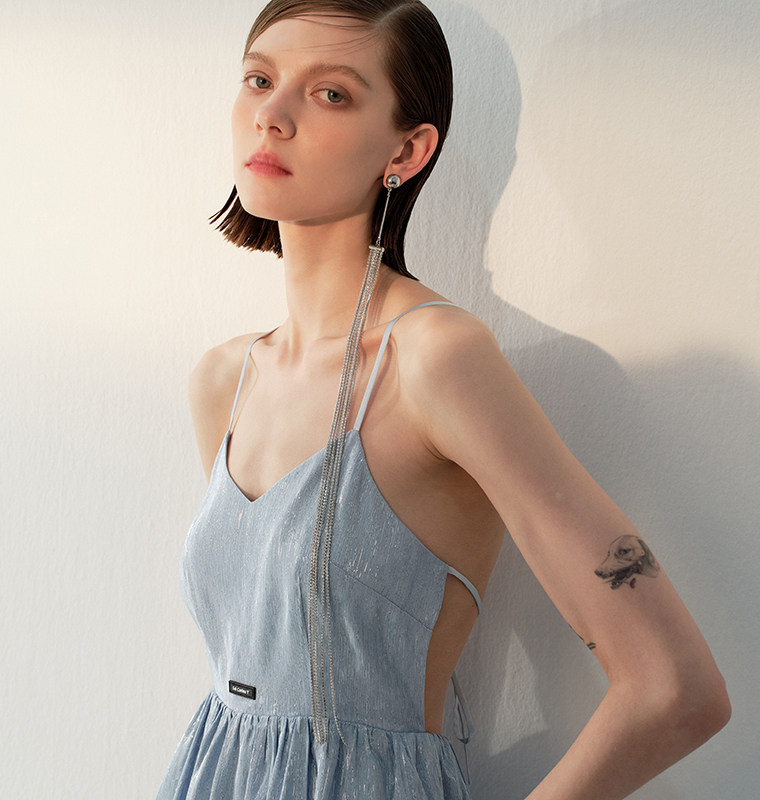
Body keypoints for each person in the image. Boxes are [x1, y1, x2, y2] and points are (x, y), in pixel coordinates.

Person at [156, 1, 730, 798]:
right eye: (259, 80)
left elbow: (676, 690)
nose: (272, 116)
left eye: (330, 94)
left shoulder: (435, 360)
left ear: (407, 149)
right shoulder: (225, 379)